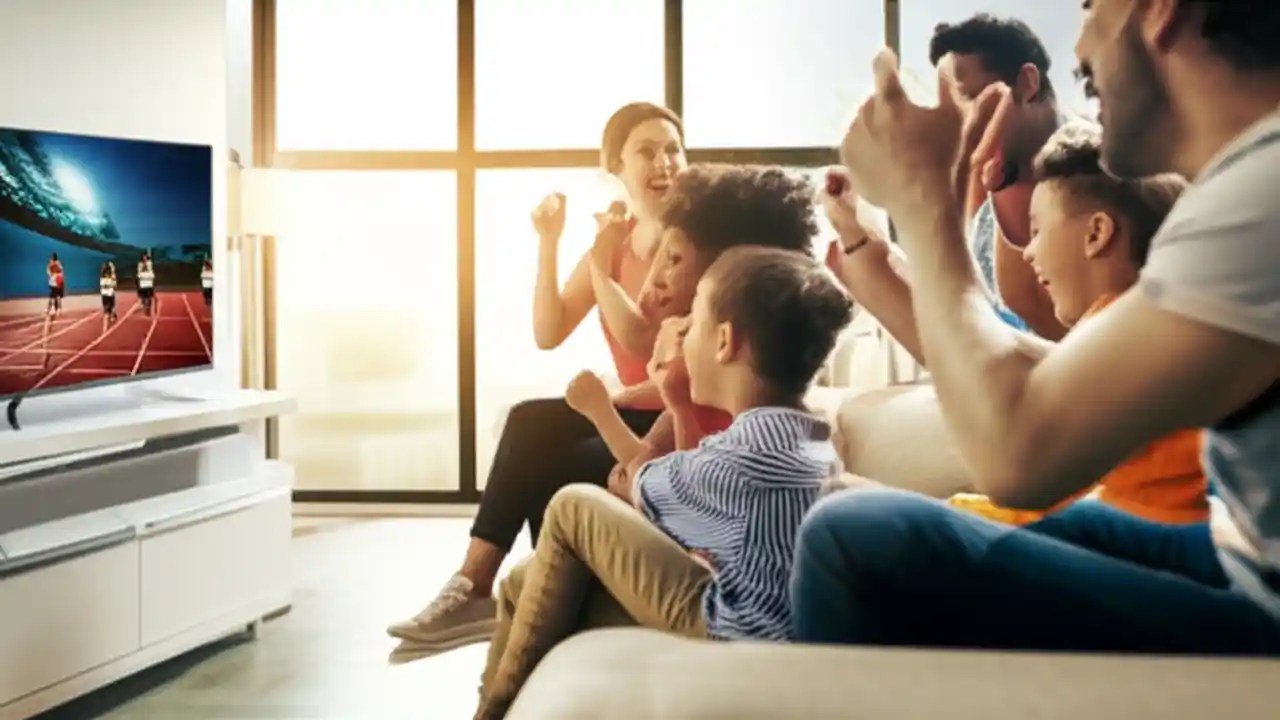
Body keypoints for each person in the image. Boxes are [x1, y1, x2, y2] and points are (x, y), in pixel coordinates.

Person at [791, 0, 1280, 655]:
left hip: (1264, 601)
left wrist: (926, 198)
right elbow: (1039, 371)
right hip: (1239, 550)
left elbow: (1018, 459)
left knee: (849, 541)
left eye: (1089, 5)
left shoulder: (1261, 197)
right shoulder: (1243, 191)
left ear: (1159, 9)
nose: (1078, 43)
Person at [475, 247, 853, 720]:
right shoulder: (805, 437)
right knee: (520, 582)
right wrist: (677, 403)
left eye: (690, 321)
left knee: (573, 506)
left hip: (737, 629)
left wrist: (640, 403)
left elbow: (634, 483)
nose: (678, 334)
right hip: (770, 613)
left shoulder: (738, 459)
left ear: (724, 342)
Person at [386, 102, 690, 656]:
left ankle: (541, 601)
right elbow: (548, 330)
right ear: (615, 166)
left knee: (562, 457)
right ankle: (474, 586)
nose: (664, 162)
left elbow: (646, 340)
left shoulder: (689, 241)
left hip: (675, 412)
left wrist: (598, 263)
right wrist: (550, 242)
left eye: (673, 149)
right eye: (646, 151)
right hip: (634, 407)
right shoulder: (616, 244)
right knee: (529, 421)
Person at [834, 14, 1068, 369]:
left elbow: (1046, 331)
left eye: (973, 97)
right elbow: (961, 303)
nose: (964, 122)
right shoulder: (982, 184)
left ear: (1026, 83)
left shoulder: (1098, 175)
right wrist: (862, 238)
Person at [563, 164, 820, 469]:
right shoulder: (699, 372)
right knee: (534, 425)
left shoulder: (740, 396)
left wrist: (604, 412)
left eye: (673, 260)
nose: (654, 278)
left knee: (563, 454)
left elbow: (677, 487)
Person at [100, 261, 118, 330]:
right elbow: (114, 285)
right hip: (106, 295)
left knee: (109, 310)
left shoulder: (105, 277)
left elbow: (114, 285)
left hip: (109, 294)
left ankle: (112, 315)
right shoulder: (104, 278)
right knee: (106, 311)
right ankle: (105, 327)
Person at [137, 252, 155, 316]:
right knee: (144, 297)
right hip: (143, 284)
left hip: (148, 284)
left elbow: (152, 274)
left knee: (149, 297)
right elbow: (138, 274)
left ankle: (148, 307)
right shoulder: (140, 264)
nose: (144, 258)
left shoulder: (149, 263)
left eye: (145, 257)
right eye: (143, 257)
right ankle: (145, 305)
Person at [46, 252, 64, 317]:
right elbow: (49, 272)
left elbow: (50, 272)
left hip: (56, 282)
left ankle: (55, 309)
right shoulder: (54, 264)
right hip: (54, 282)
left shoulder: (56, 264)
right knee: (53, 296)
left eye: (52, 257)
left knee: (55, 296)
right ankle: (53, 309)